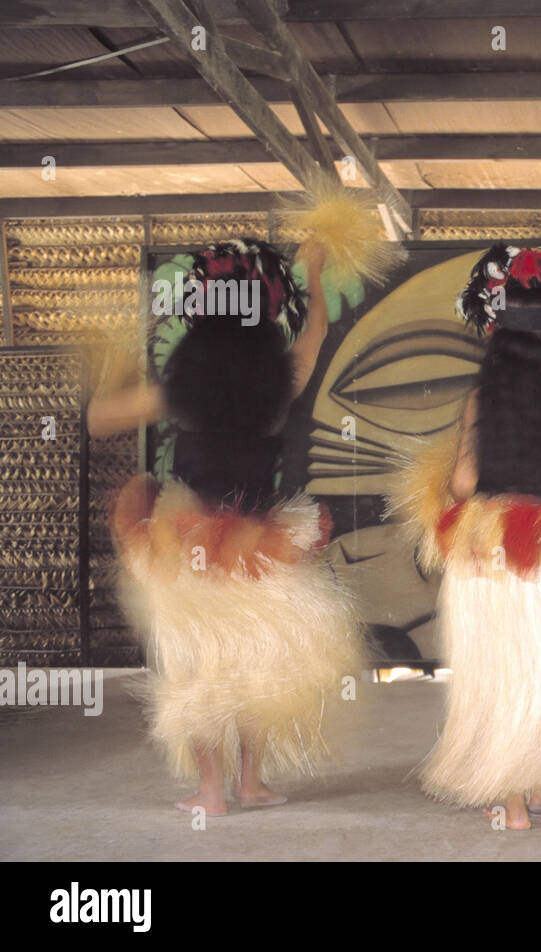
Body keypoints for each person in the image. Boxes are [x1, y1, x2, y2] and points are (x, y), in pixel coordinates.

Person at [89, 239, 362, 816]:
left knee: (198, 664)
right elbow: (314, 331)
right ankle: (251, 782)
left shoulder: (183, 389)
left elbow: (98, 419)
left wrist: (114, 363)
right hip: (258, 541)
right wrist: (313, 269)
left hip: (187, 540)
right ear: (263, 320)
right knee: (253, 659)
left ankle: (210, 793)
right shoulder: (279, 380)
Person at [390, 243, 541, 831]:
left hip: (491, 548)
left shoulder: (481, 398)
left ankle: (512, 806)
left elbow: (464, 483)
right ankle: (538, 787)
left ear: (493, 334)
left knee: (503, 674)